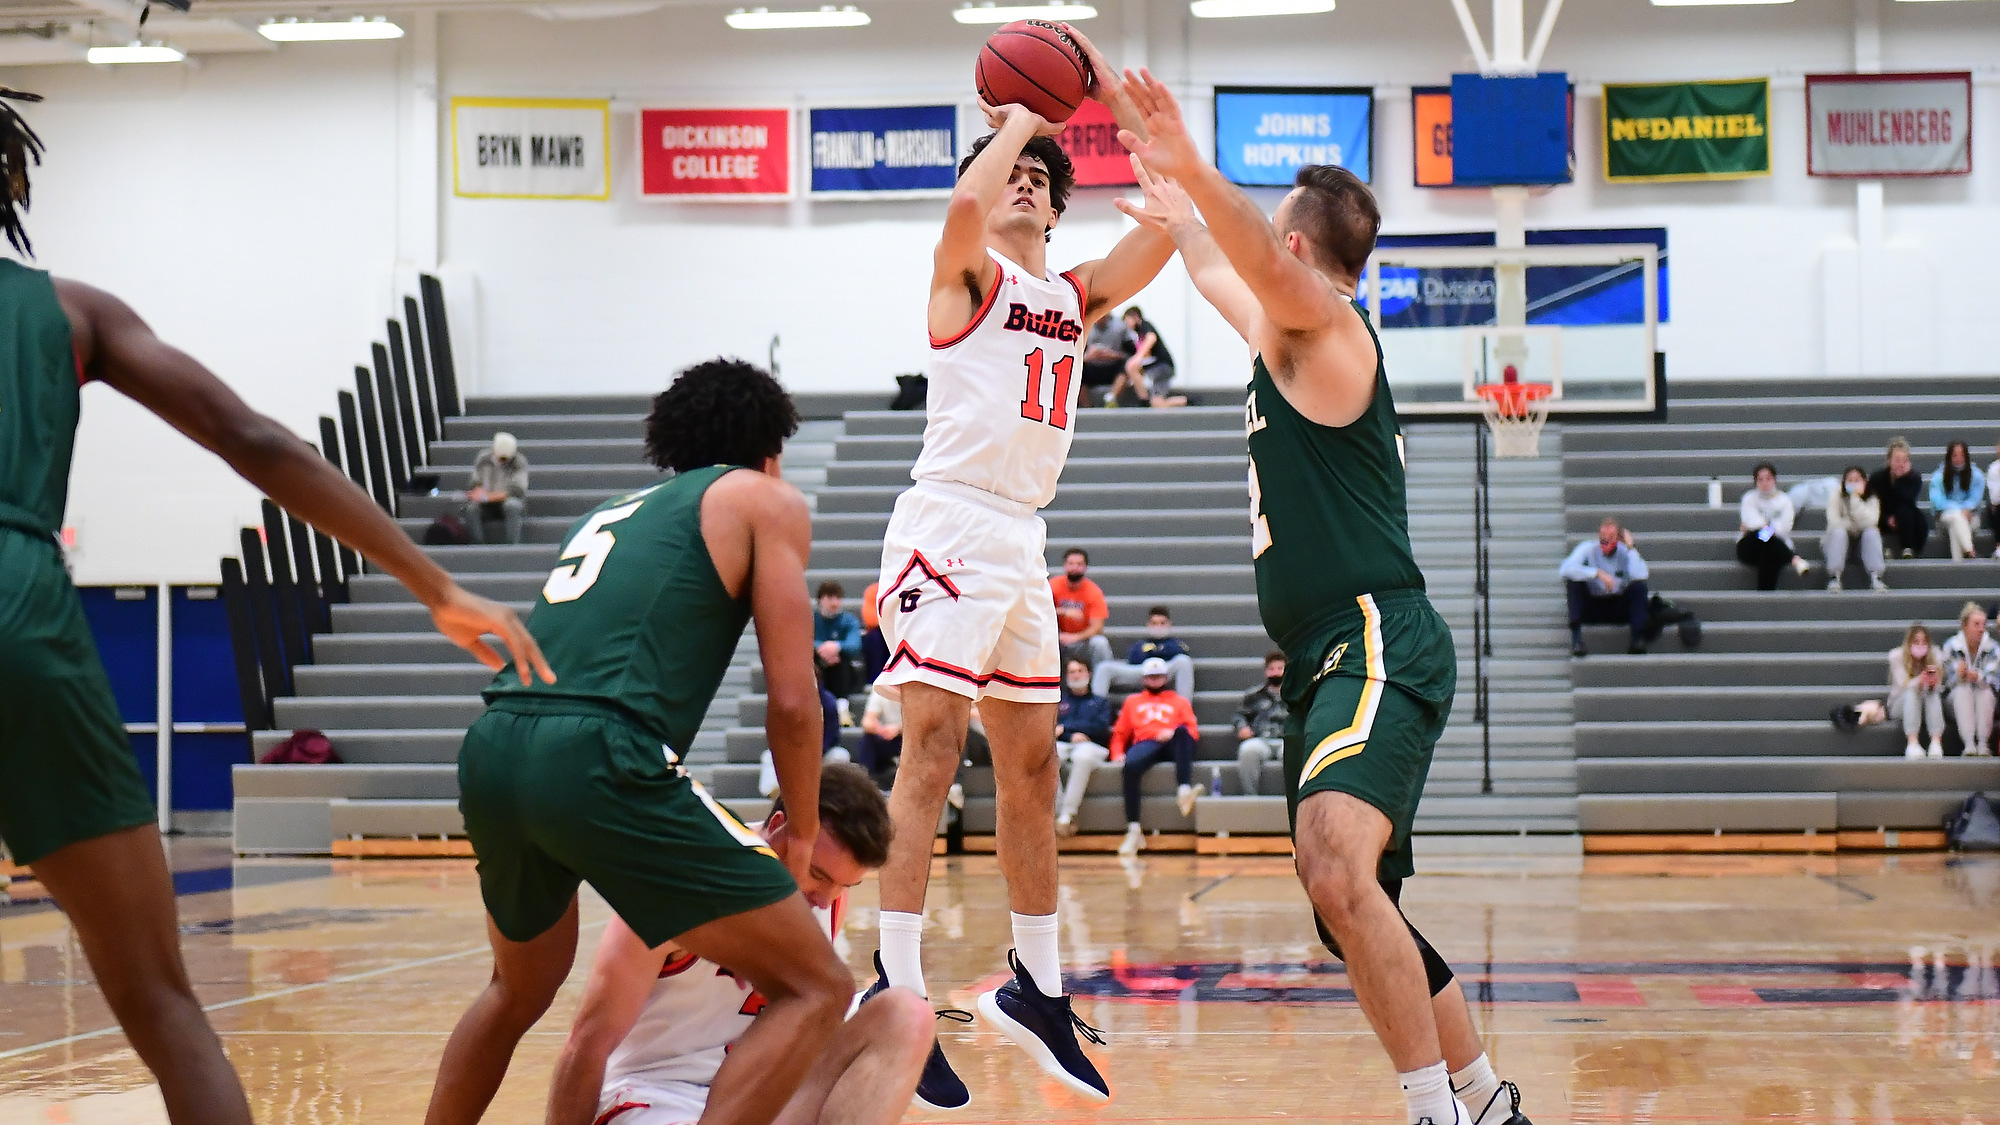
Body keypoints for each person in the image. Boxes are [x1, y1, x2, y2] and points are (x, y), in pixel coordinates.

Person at [0, 88, 550, 1125]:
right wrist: (431, 581)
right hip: (22, 612)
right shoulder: (69, 312)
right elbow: (255, 440)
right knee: (163, 1005)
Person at [1120, 70, 1534, 1125]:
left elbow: (1247, 256)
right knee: (1347, 904)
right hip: (1320, 652)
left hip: (1370, 635)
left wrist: (1191, 166)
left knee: (1333, 863)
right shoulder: (1283, 339)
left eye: (1276, 250)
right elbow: (1225, 268)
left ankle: (1434, 1115)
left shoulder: (1330, 326)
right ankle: (1482, 1102)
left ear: (1299, 254)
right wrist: (1179, 218)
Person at [866, 29, 1174, 1108]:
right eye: (1010, 172)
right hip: (946, 526)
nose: (1025, 180)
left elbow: (1161, 244)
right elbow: (965, 207)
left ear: (1055, 210)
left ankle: (1033, 987)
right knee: (932, 748)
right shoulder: (966, 276)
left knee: (1032, 768)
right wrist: (1020, 121)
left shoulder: (1069, 297)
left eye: (1044, 180)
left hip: (1022, 539)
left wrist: (1150, 151)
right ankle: (896, 988)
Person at [424, 360, 854, 1125]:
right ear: (770, 444)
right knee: (819, 984)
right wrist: (804, 828)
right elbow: (793, 701)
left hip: (495, 739)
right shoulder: (765, 498)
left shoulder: (613, 508)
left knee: (514, 990)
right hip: (600, 747)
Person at [545, 763, 928, 1125]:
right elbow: (587, 1045)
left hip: (762, 1099)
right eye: (817, 874)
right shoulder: (679, 886)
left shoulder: (824, 900)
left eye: (845, 886)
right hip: (655, 1096)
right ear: (779, 828)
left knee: (908, 1016)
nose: (826, 899)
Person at [1109, 657, 1201, 856]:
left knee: (1183, 732)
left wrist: (1172, 731)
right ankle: (1134, 829)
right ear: (1144, 679)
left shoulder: (1179, 701)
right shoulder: (1132, 702)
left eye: (1158, 677)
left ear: (1166, 678)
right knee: (1130, 766)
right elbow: (1120, 732)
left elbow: (1193, 731)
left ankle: (1184, 789)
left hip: (1171, 742)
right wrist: (1117, 752)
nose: (1155, 681)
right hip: (1146, 742)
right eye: (1151, 677)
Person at [1559, 518, 1651, 656]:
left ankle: (1637, 640)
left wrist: (1630, 548)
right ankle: (1577, 640)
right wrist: (1596, 573)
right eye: (1603, 537)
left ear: (1619, 537)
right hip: (1593, 605)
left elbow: (1641, 574)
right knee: (1573, 583)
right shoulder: (1588, 548)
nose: (1606, 541)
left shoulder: (1625, 552)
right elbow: (1565, 569)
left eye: (1611, 537)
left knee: (1639, 587)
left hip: (1618, 604)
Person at [1054, 657, 1117, 837]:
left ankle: (1067, 814)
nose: (1076, 675)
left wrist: (1067, 727)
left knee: (1083, 757)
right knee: (1049, 755)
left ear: (1089, 674)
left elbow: (1100, 729)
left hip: (1094, 746)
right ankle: (1058, 812)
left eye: (1080, 670)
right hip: (1065, 744)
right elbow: (1053, 729)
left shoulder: (1100, 702)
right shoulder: (1058, 702)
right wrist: (1071, 734)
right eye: (1072, 672)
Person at [1736, 463, 1813, 591]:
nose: (1765, 483)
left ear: (1774, 479)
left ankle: (1764, 595)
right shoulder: (1749, 498)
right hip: (1750, 545)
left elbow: (1785, 527)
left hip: (1774, 546)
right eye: (1760, 479)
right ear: (1755, 482)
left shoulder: (1785, 500)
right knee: (1761, 535)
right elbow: (1751, 523)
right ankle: (1794, 559)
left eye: (1768, 478)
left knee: (1769, 552)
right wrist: (1768, 527)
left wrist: (1765, 527)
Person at [1093, 605, 1195, 699]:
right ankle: (1095, 713)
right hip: (1141, 672)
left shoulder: (1176, 643)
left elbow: (1182, 652)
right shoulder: (1140, 643)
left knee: (1184, 661)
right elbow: (1134, 659)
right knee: (1104, 668)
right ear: (1148, 625)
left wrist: (1153, 650)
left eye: (1162, 623)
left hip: (1165, 671)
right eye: (1154, 623)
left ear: (1169, 624)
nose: (1158, 627)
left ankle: (1185, 711)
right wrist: (1161, 651)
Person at [1940, 601, 1999, 757]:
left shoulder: (1993, 648)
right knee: (1963, 690)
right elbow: (1944, 683)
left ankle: (1983, 743)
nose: (1981, 629)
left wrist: (1978, 677)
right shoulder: (1950, 646)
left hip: (1983, 697)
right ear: (1965, 626)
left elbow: (1995, 681)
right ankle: (1969, 744)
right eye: (1976, 624)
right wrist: (1958, 676)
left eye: (1983, 624)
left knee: (1984, 691)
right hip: (1956, 700)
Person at [1233, 652, 1288, 797]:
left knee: (1294, 752)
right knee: (1248, 750)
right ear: (1266, 671)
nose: (1276, 672)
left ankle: (1294, 800)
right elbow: (1239, 715)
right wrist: (1242, 727)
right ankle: (1250, 797)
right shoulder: (1254, 695)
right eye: (1272, 669)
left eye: (1280, 668)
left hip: (1287, 739)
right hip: (1261, 739)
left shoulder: (1298, 694)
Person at [1824, 466, 1887, 592]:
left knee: (1872, 532)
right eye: (1850, 480)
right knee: (1839, 532)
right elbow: (1833, 522)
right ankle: (1834, 577)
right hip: (1839, 544)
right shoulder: (1835, 495)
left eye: (1857, 480)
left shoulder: (1872, 498)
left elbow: (1871, 522)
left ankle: (1876, 577)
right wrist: (1855, 525)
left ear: (1864, 482)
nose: (1853, 484)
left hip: (1861, 545)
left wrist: (1855, 499)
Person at [1110, 305, 1184, 408]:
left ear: (1135, 317)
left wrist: (1138, 358)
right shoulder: (1138, 335)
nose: (1127, 325)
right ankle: (1144, 399)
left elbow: (1151, 338)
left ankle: (1188, 401)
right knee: (1131, 367)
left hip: (1162, 367)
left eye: (1127, 321)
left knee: (1157, 403)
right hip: (1155, 366)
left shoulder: (1145, 326)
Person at [1889, 624, 1945, 759]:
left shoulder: (1936, 654)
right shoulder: (1896, 656)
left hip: (1927, 702)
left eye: (1924, 642)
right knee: (1912, 691)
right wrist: (1920, 680)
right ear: (1908, 643)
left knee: (1932, 692)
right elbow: (1903, 684)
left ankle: (1936, 742)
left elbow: (1940, 685)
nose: (1920, 645)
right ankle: (1912, 742)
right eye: (1916, 641)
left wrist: (1932, 682)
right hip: (1900, 704)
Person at [1050, 547, 1112, 669]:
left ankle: (1100, 684)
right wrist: (1064, 611)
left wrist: (1075, 637)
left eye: (1079, 564)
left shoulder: (1093, 592)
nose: (1074, 567)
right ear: (1065, 565)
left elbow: (1097, 627)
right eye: (1071, 563)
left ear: (1085, 567)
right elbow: (1040, 611)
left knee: (1100, 643)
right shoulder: (1053, 585)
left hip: (1083, 641)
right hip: (1057, 640)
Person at [465, 431, 530, 545]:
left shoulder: (519, 462)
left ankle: (512, 545)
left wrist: (488, 497)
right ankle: (477, 544)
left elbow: (517, 489)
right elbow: (475, 482)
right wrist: (477, 492)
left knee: (512, 506)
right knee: (471, 509)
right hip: (486, 503)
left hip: (508, 500)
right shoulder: (483, 459)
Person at [1869, 438, 1929, 559]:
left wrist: (1902, 479)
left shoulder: (1914, 478)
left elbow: (1907, 500)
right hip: (1881, 515)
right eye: (1897, 460)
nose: (1900, 464)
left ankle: (1908, 548)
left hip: (1905, 515)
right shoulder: (1877, 478)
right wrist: (1886, 519)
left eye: (1904, 461)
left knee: (1909, 514)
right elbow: (1872, 503)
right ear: (1889, 460)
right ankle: (1881, 550)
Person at [1930, 441, 1984, 561]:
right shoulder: (1939, 476)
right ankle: (1969, 550)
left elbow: (1975, 498)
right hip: (1944, 516)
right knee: (1955, 517)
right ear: (1949, 457)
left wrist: (1966, 509)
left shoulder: (1976, 475)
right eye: (1955, 455)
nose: (1958, 459)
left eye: (1962, 455)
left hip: (1971, 516)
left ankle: (1958, 562)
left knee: (1955, 527)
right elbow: (1937, 501)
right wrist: (1960, 510)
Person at [815, 581, 865, 699]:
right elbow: (802, 643)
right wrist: (822, 648)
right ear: (820, 600)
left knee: (840, 663)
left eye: (838, 598)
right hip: (817, 663)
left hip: (841, 666)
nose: (834, 603)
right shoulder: (811, 620)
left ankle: (842, 704)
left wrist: (837, 647)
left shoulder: (849, 620)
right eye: (829, 598)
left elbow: (855, 645)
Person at [1078, 312, 1134, 407]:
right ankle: (1087, 406)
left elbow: (1131, 353)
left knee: (1127, 366)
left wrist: (1112, 355)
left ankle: (1111, 399)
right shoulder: (1084, 325)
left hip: (1113, 367)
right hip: (1092, 367)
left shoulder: (1120, 326)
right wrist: (1089, 356)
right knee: (1076, 368)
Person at [857, 687, 903, 789]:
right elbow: (866, 722)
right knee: (868, 738)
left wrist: (899, 729)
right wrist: (878, 729)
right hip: (888, 737)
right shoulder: (882, 688)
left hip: (908, 737)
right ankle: (864, 781)